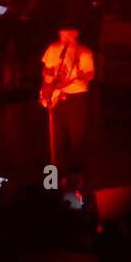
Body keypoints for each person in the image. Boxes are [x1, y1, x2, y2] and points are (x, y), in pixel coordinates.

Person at [40, 22, 95, 189]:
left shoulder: (84, 52)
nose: (64, 37)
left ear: (75, 33)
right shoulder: (54, 48)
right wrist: (46, 88)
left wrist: (78, 76)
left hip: (77, 98)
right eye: (61, 33)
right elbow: (46, 70)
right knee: (56, 139)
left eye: (67, 34)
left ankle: (76, 178)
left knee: (76, 138)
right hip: (58, 98)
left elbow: (90, 74)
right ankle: (55, 179)